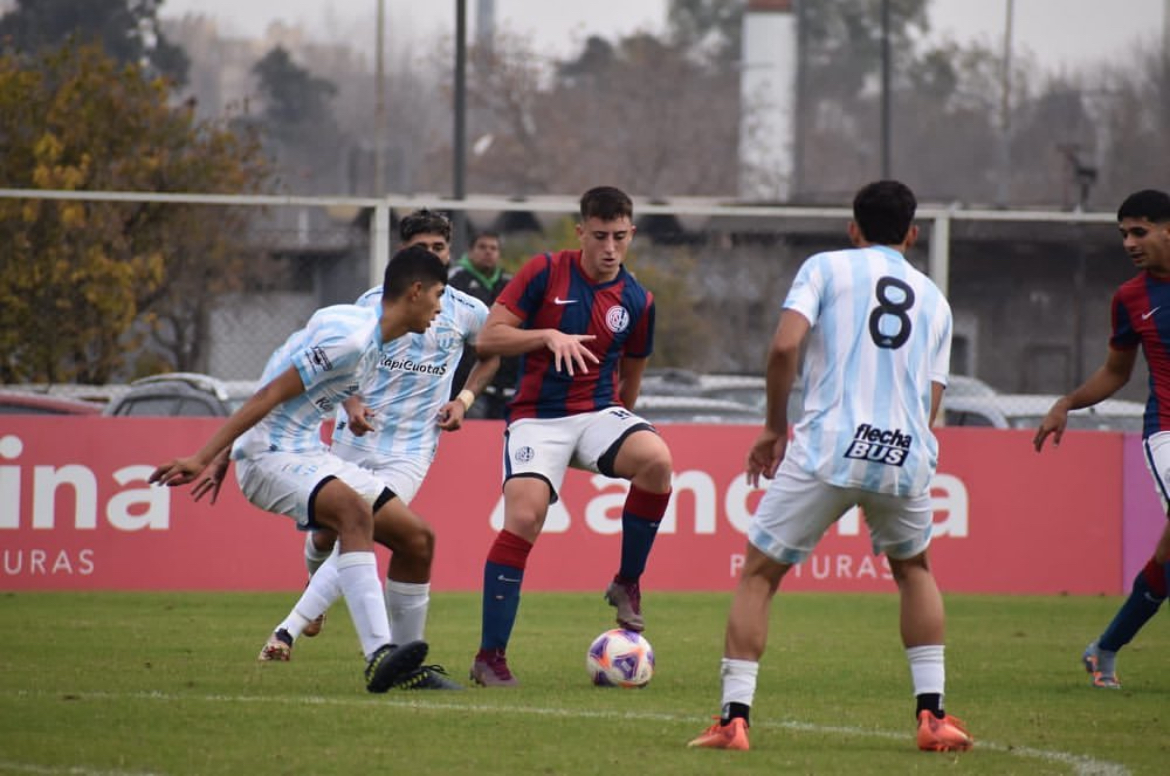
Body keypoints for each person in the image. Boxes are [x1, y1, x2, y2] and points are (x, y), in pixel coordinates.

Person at [687, 180, 973, 753]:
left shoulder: (826, 268)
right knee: (914, 570)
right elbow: (932, 397)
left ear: (853, 228)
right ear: (913, 235)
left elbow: (785, 347)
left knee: (760, 575)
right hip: (904, 450)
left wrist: (773, 426)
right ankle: (933, 716)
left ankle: (733, 720)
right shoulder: (935, 300)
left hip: (829, 445)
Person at [149, 244, 449, 693]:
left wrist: (350, 409)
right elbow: (268, 394)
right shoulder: (350, 336)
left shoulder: (370, 343)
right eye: (439, 295)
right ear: (416, 291)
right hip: (269, 454)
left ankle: (405, 668)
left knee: (417, 539)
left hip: (308, 449)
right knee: (353, 512)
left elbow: (287, 360)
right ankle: (378, 655)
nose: (440, 308)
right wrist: (210, 455)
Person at [257, 209, 500, 690]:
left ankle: (286, 630)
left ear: (449, 253)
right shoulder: (373, 306)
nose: (431, 256)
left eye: (439, 248)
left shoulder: (467, 310)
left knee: (364, 526)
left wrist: (464, 399)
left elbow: (493, 351)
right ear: (403, 255)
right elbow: (334, 365)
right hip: (354, 438)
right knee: (327, 538)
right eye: (421, 249)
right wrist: (350, 404)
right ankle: (315, 585)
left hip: (410, 449)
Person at [468, 185, 674, 687]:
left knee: (657, 461)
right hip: (538, 417)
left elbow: (634, 368)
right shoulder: (544, 271)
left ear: (632, 235)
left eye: (619, 237)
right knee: (524, 515)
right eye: (600, 235)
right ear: (580, 231)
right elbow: (488, 337)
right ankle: (489, 658)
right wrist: (545, 335)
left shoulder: (637, 300)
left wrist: (622, 418)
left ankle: (627, 581)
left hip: (598, 412)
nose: (609, 247)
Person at [1035, 188, 1170, 691]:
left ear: (1167, 229)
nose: (1130, 243)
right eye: (1123, 235)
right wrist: (1067, 402)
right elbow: (1117, 371)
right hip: (1167, 433)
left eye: (1139, 232)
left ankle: (1105, 647)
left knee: (1166, 562)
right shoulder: (1131, 298)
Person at [448, 231, 520, 419]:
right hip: (467, 380)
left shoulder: (510, 283)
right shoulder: (455, 281)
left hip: (506, 382)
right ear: (470, 251)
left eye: (493, 248)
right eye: (482, 247)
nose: (488, 252)